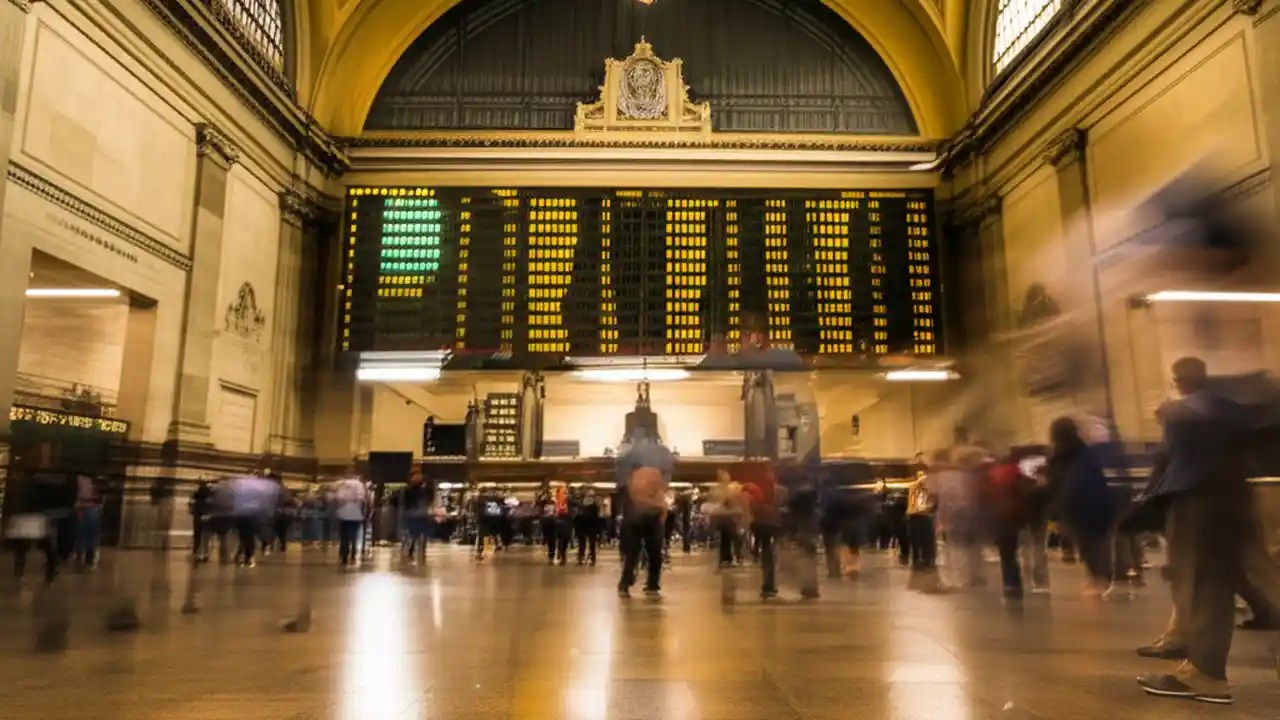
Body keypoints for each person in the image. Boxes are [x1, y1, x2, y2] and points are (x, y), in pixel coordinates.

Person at [1136, 358, 1265, 704]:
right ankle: (1201, 668)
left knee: (1207, 587)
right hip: (1236, 498)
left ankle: (1206, 676)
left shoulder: (1179, 413)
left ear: (1178, 380)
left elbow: (1172, 462)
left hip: (1198, 502)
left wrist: (1146, 505)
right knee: (1234, 580)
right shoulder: (1234, 409)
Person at [1046, 417, 1114, 594]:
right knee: (1097, 541)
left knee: (1085, 543)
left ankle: (1095, 578)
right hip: (1095, 502)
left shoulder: (1056, 456)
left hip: (1071, 505)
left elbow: (1053, 484)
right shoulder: (1085, 452)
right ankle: (1101, 578)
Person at [616, 427, 674, 598]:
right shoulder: (657, 473)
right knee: (654, 553)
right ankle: (652, 584)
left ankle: (625, 583)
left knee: (632, 553)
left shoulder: (633, 475)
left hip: (635, 517)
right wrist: (660, 510)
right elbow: (660, 495)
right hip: (652, 518)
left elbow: (627, 491)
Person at [986, 453, 1033, 599]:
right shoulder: (1018, 475)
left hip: (998, 518)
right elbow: (1028, 495)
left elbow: (987, 497)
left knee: (1006, 554)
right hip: (1016, 518)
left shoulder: (992, 476)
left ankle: (1009, 583)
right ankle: (1019, 580)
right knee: (1018, 550)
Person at [743, 463, 782, 599]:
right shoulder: (777, 489)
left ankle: (768, 585)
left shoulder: (755, 488)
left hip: (761, 524)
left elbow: (753, 506)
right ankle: (769, 585)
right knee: (769, 554)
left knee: (766, 554)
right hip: (773, 524)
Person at [229, 472, 279, 568]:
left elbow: (234, 499)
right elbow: (265, 501)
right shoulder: (261, 487)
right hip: (254, 515)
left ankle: (242, 555)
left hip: (241, 514)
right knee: (250, 537)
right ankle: (249, 557)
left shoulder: (240, 486)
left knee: (243, 537)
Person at [333, 473, 368, 567]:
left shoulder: (342, 484)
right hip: (356, 514)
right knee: (354, 535)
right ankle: (353, 553)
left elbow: (338, 497)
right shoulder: (359, 485)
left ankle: (344, 555)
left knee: (344, 536)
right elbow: (361, 498)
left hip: (343, 513)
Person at [401, 471, 433, 564]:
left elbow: (405, 503)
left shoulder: (408, 490)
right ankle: (421, 550)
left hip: (413, 514)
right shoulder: (423, 491)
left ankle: (412, 549)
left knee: (414, 534)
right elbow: (427, 502)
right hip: (420, 514)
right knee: (421, 534)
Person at [74, 474, 103, 569]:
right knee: (82, 530)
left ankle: (87, 554)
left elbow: (99, 496)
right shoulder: (79, 479)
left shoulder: (96, 479)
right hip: (82, 506)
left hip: (90, 506)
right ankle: (81, 553)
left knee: (89, 530)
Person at [574, 487, 602, 566]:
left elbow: (577, 517)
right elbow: (597, 517)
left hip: (585, 526)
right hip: (589, 527)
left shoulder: (582, 505)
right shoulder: (594, 506)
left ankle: (582, 558)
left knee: (584, 544)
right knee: (589, 544)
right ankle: (590, 559)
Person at [189, 480, 213, 562]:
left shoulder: (196, 494)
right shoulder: (210, 495)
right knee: (207, 537)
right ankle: (206, 554)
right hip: (207, 517)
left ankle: (197, 554)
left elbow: (191, 506)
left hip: (198, 516)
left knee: (197, 536)